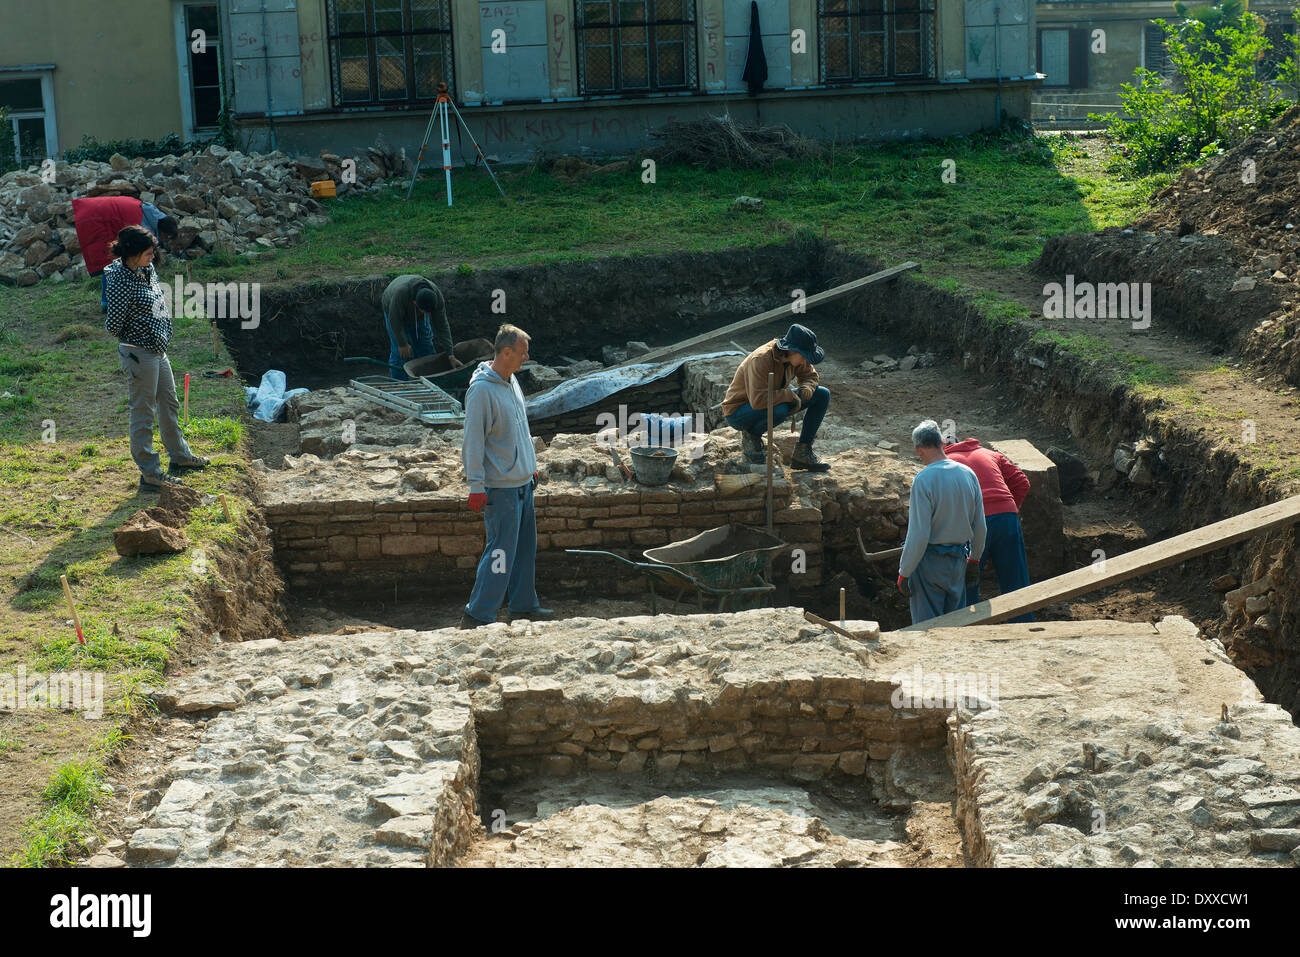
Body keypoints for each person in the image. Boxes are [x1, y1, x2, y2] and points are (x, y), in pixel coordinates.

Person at [460, 324, 555, 629]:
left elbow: (520, 429)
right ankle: (478, 615)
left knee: (524, 550)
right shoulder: (481, 391)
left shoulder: (511, 381)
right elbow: (473, 441)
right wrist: (476, 485)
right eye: (523, 352)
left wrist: (531, 464)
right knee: (500, 554)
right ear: (506, 352)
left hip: (524, 483)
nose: (527, 357)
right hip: (500, 489)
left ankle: (523, 606)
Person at [103, 225, 209, 491]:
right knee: (143, 412)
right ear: (132, 254)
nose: (153, 257)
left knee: (169, 404)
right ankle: (150, 472)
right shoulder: (118, 280)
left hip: (158, 351)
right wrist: (140, 331)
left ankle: (180, 456)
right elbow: (113, 324)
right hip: (139, 354)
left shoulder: (145, 269)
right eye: (148, 253)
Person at [897, 420, 986, 625]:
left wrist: (905, 571)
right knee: (954, 626)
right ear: (942, 444)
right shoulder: (968, 474)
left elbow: (919, 535)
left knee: (927, 630)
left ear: (918, 450)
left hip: (929, 564)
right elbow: (980, 525)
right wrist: (974, 559)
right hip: (958, 562)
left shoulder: (924, 480)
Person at [944, 436, 1034, 622]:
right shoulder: (990, 454)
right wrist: (1008, 511)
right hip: (1006, 517)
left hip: (974, 522)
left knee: (968, 578)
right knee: (1016, 578)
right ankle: (1023, 626)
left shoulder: (945, 463)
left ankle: (968, 629)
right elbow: (1022, 483)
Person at [721, 323, 832, 471]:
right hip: (739, 412)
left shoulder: (796, 357)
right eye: (805, 357)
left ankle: (802, 453)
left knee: (822, 394)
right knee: (779, 410)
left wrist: (807, 388)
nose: (806, 361)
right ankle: (751, 436)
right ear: (792, 350)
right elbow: (758, 400)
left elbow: (810, 376)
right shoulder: (761, 359)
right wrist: (789, 395)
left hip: (772, 401)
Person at [72, 196, 179, 313]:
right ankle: (111, 304)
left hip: (96, 211)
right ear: (162, 231)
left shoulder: (152, 215)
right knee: (111, 262)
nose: (166, 241)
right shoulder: (143, 228)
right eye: (166, 237)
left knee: (113, 262)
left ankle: (108, 303)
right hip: (95, 218)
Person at [381, 275, 452, 380]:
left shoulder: (436, 297)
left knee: (425, 345)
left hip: (418, 316)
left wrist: (450, 354)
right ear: (415, 303)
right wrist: (402, 343)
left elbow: (442, 325)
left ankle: (431, 381)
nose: (428, 315)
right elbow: (395, 321)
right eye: (425, 312)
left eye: (429, 312)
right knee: (400, 353)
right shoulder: (401, 294)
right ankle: (400, 383)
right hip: (393, 310)